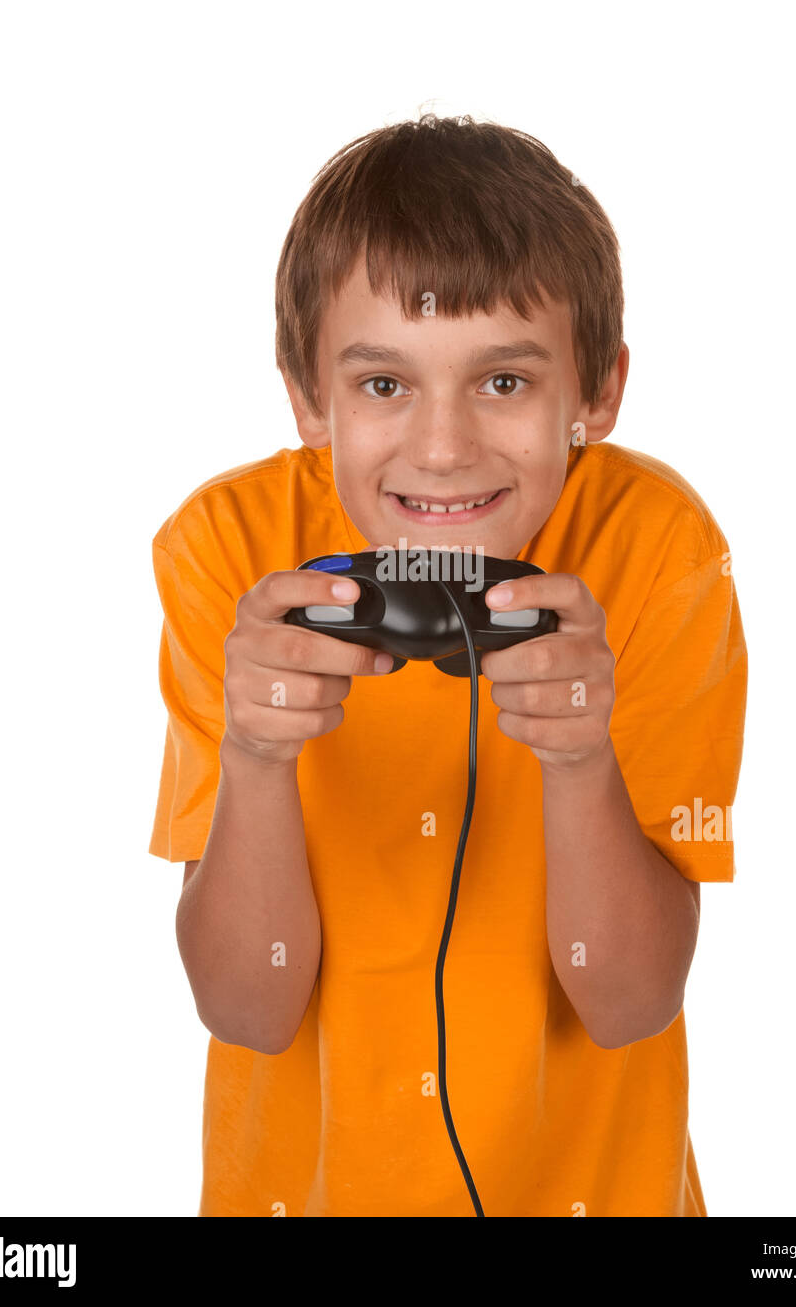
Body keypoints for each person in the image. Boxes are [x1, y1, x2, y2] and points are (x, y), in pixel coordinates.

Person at [148, 113, 747, 1217]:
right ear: (306, 395)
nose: (441, 446)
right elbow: (248, 1006)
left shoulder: (663, 552)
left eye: (504, 383)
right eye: (383, 386)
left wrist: (580, 763)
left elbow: (627, 1001)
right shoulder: (224, 554)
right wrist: (255, 758)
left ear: (597, 396)